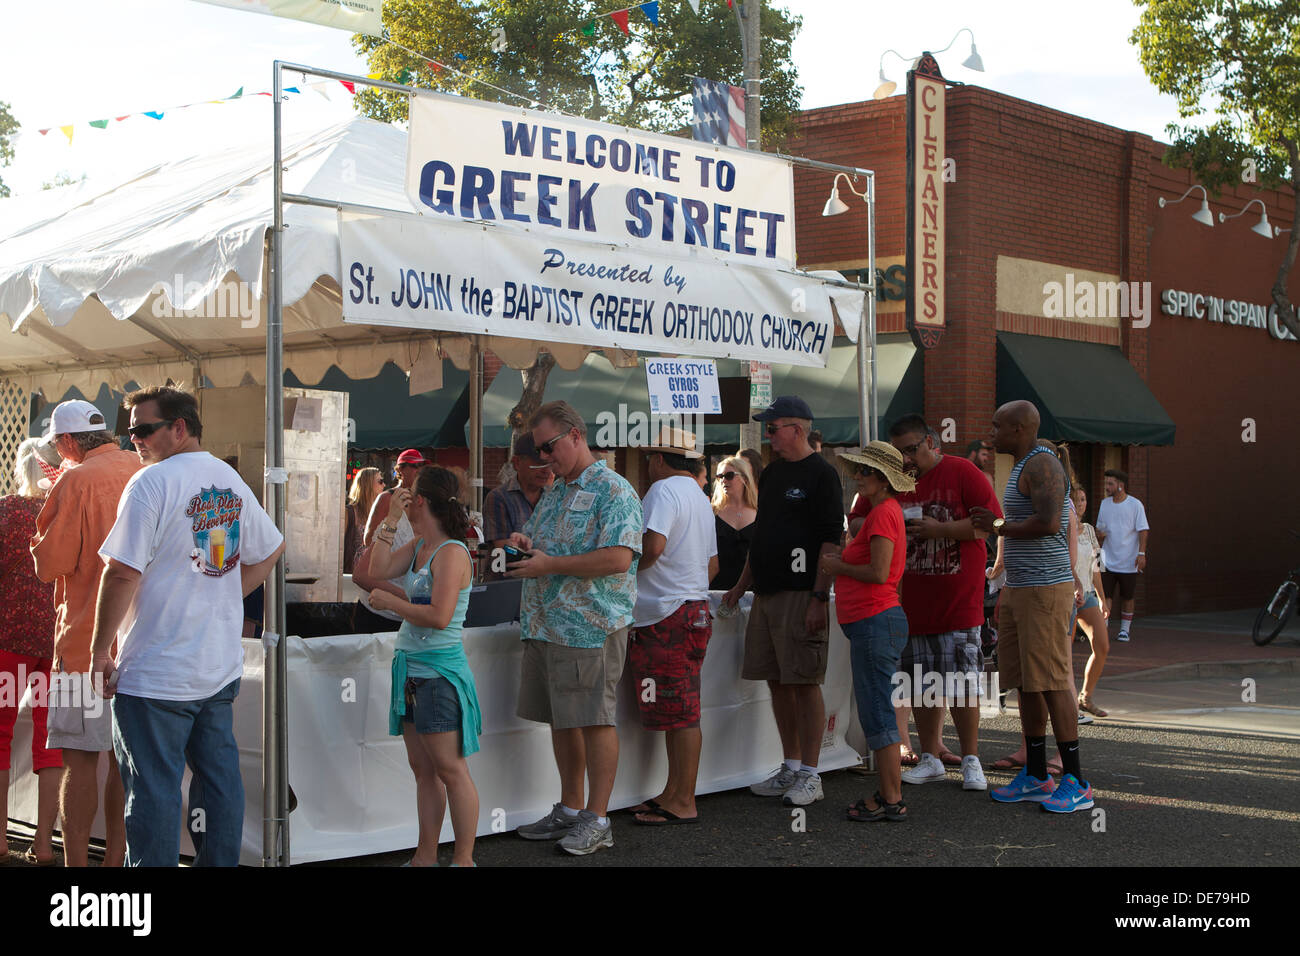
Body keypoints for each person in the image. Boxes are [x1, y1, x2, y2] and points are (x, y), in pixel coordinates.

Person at [90, 386, 285, 866]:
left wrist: (97, 650)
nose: (133, 438)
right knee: (219, 783)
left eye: (143, 429)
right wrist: (222, 593)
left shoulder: (151, 482)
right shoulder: (228, 478)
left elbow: (121, 571)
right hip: (214, 668)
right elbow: (272, 547)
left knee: (154, 791)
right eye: (129, 430)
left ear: (180, 428)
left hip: (157, 670)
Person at [506, 401, 642, 856]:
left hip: (590, 625)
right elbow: (542, 543)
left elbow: (618, 558)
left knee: (594, 719)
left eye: (549, 447)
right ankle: (570, 806)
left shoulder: (614, 489)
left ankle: (599, 818)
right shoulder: (556, 490)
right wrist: (525, 542)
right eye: (538, 450)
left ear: (576, 436)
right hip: (548, 624)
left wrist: (551, 564)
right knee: (563, 720)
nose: (544, 457)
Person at [850, 414, 1001, 792]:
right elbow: (855, 522)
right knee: (921, 683)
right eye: (899, 452)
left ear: (933, 443)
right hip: (909, 601)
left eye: (912, 449)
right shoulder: (892, 483)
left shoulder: (963, 472)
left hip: (959, 599)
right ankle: (930, 755)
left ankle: (971, 760)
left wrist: (941, 530)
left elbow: (993, 524)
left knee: (964, 683)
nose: (907, 459)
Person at [29, 399, 142, 867]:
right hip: (138, 642)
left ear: (70, 441)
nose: (58, 454)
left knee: (79, 759)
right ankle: (115, 862)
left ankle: (77, 869)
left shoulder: (76, 479)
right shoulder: (143, 466)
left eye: (58, 446)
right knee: (123, 765)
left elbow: (48, 563)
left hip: (83, 644)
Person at [971, 400, 1094, 813]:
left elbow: (1049, 523)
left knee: (1054, 680)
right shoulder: (1024, 464)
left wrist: (997, 525)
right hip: (1023, 589)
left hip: (1046, 590)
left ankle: (1075, 780)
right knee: (1026, 680)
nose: (992, 432)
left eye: (998, 426)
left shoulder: (1043, 465)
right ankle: (1037, 775)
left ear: (1020, 429)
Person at [721, 396, 844, 808]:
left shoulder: (823, 475)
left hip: (801, 593)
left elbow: (831, 540)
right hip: (767, 593)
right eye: (767, 429)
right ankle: (791, 764)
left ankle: (811, 773)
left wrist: (818, 597)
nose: (768, 436)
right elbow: (761, 536)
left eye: (773, 428)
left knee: (804, 682)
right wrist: (741, 586)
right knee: (777, 680)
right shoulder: (771, 475)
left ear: (797, 429)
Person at [367, 466, 481, 867]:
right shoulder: (420, 545)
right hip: (414, 671)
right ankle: (425, 856)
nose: (405, 497)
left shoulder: (452, 553)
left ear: (423, 501)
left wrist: (393, 603)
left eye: (410, 494)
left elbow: (439, 616)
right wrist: (390, 521)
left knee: (450, 769)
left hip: (438, 675)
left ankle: (463, 859)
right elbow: (373, 571)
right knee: (424, 771)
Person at [627, 429, 718, 827]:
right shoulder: (698, 495)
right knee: (680, 708)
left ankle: (683, 799)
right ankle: (674, 791)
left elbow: (654, 547)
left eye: (650, 457)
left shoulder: (663, 491)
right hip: (693, 608)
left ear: (661, 459)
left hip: (667, 613)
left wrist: (627, 569)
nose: (648, 464)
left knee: (681, 714)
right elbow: (713, 565)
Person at [820, 442, 913, 822]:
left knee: (877, 711)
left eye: (863, 472)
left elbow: (878, 573)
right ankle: (890, 795)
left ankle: (892, 798)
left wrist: (837, 566)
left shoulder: (883, 514)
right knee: (877, 709)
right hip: (875, 621)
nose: (857, 477)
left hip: (876, 621)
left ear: (881, 479)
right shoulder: (883, 511)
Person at [0, 440, 60, 865]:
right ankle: (43, 843)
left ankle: (0, 839)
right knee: (50, 742)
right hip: (58, 642)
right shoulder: (67, 510)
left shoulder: (7, 511)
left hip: (8, 639)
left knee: (0, 738)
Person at [353, 450, 424, 631]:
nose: (419, 470)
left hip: (406, 616)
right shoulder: (388, 498)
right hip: (378, 609)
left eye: (421, 465)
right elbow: (369, 540)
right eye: (414, 465)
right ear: (401, 469)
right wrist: (389, 537)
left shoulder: (425, 508)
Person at [1095, 468, 1149, 643]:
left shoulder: (1135, 505)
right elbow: (1099, 530)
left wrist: (1141, 553)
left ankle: (1125, 630)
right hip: (1105, 558)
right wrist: (1099, 535)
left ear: (1121, 485)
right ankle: (1104, 627)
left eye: (1110, 483)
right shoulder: (1104, 504)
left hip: (1128, 560)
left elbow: (1143, 530)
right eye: (1106, 483)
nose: (1107, 487)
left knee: (1128, 596)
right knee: (1105, 595)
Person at [1071, 484, 1110, 717]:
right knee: (1066, 653)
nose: (1080, 503)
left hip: (1087, 595)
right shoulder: (1063, 527)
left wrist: (1102, 599)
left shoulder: (1089, 530)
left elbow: (1097, 567)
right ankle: (1067, 705)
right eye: (1076, 500)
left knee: (1102, 645)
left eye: (1084, 499)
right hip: (1066, 594)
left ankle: (1085, 696)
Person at [483, 434, 555, 549]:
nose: (546, 470)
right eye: (539, 463)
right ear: (517, 463)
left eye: (549, 463)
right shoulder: (499, 497)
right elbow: (503, 548)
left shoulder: (554, 497)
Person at [710, 455, 758, 591]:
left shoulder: (760, 511)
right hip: (716, 589)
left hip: (752, 590)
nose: (723, 480)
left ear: (744, 478)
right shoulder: (711, 512)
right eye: (720, 476)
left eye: (729, 475)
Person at [344, 467, 383, 573]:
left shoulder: (380, 512)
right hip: (352, 576)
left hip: (374, 574)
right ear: (367, 485)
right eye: (380, 481)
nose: (384, 485)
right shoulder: (349, 512)